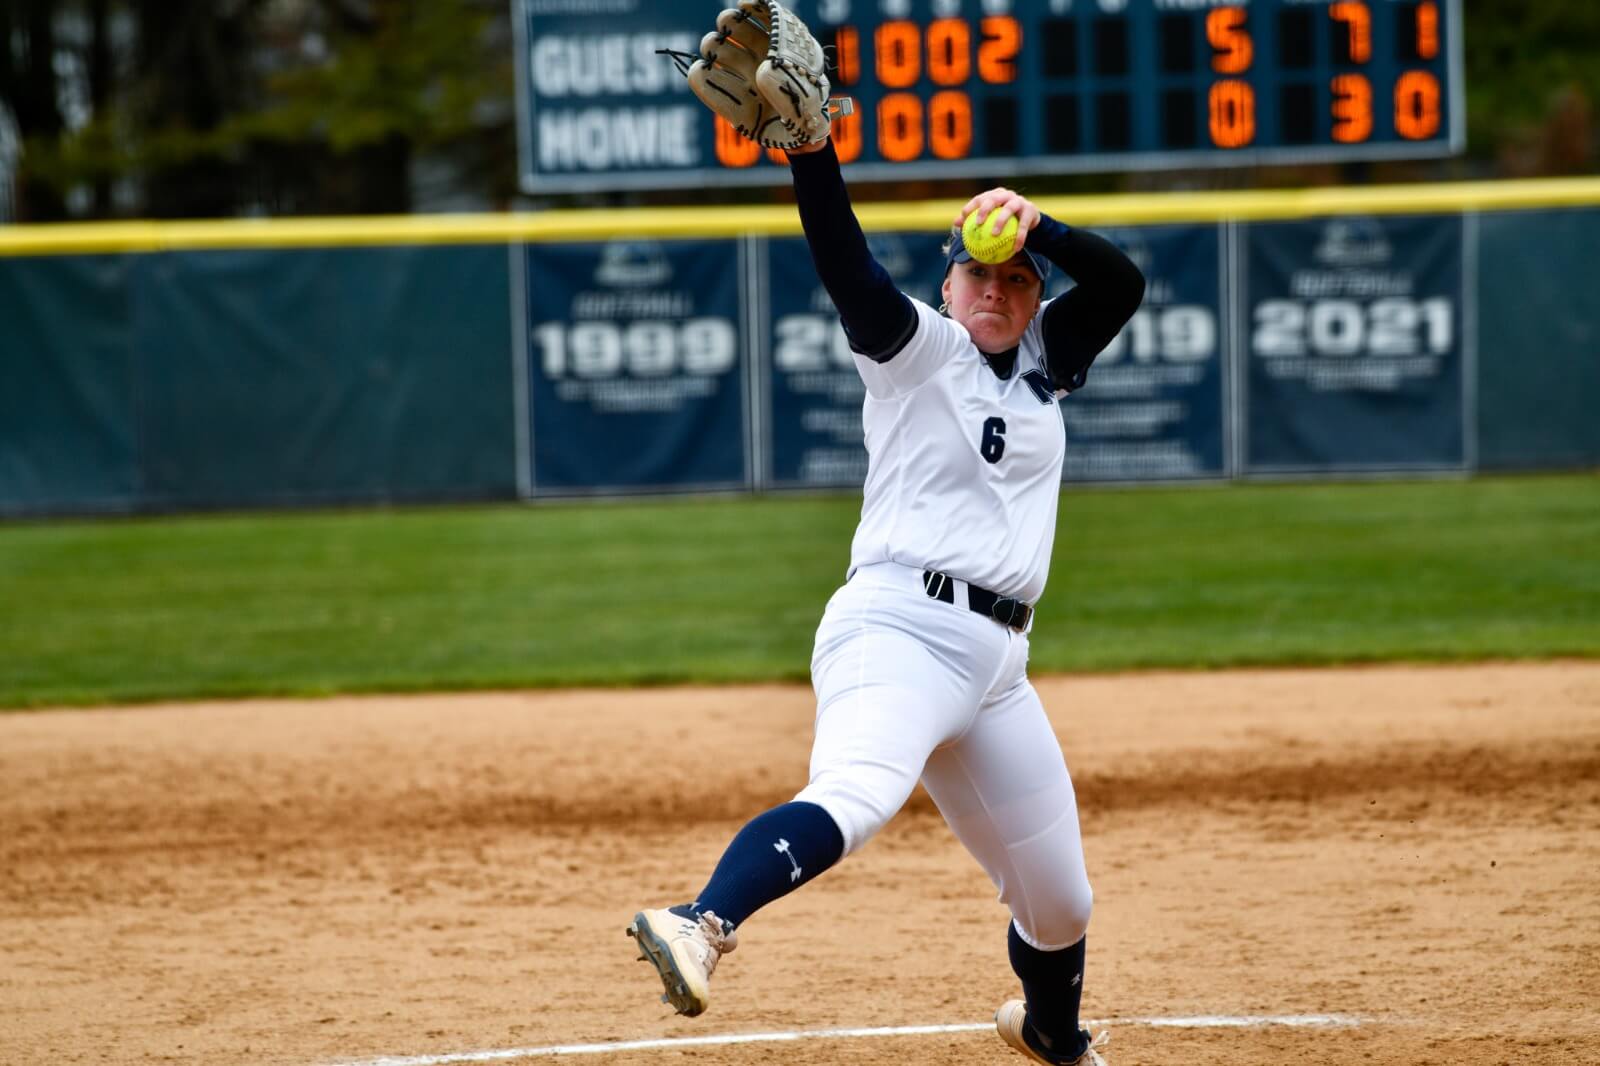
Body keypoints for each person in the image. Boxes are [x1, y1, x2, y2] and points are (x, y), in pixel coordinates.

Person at [626, 97, 1145, 1066]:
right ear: (947, 286)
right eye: (976, 274)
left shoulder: (1046, 363)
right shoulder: (913, 349)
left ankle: (1051, 1031)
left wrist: (1044, 227)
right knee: (859, 791)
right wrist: (814, 153)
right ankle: (700, 920)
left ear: (1034, 296)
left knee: (1061, 899)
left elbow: (1120, 282)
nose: (994, 290)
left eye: (1015, 278)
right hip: (899, 627)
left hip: (997, 665)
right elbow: (842, 257)